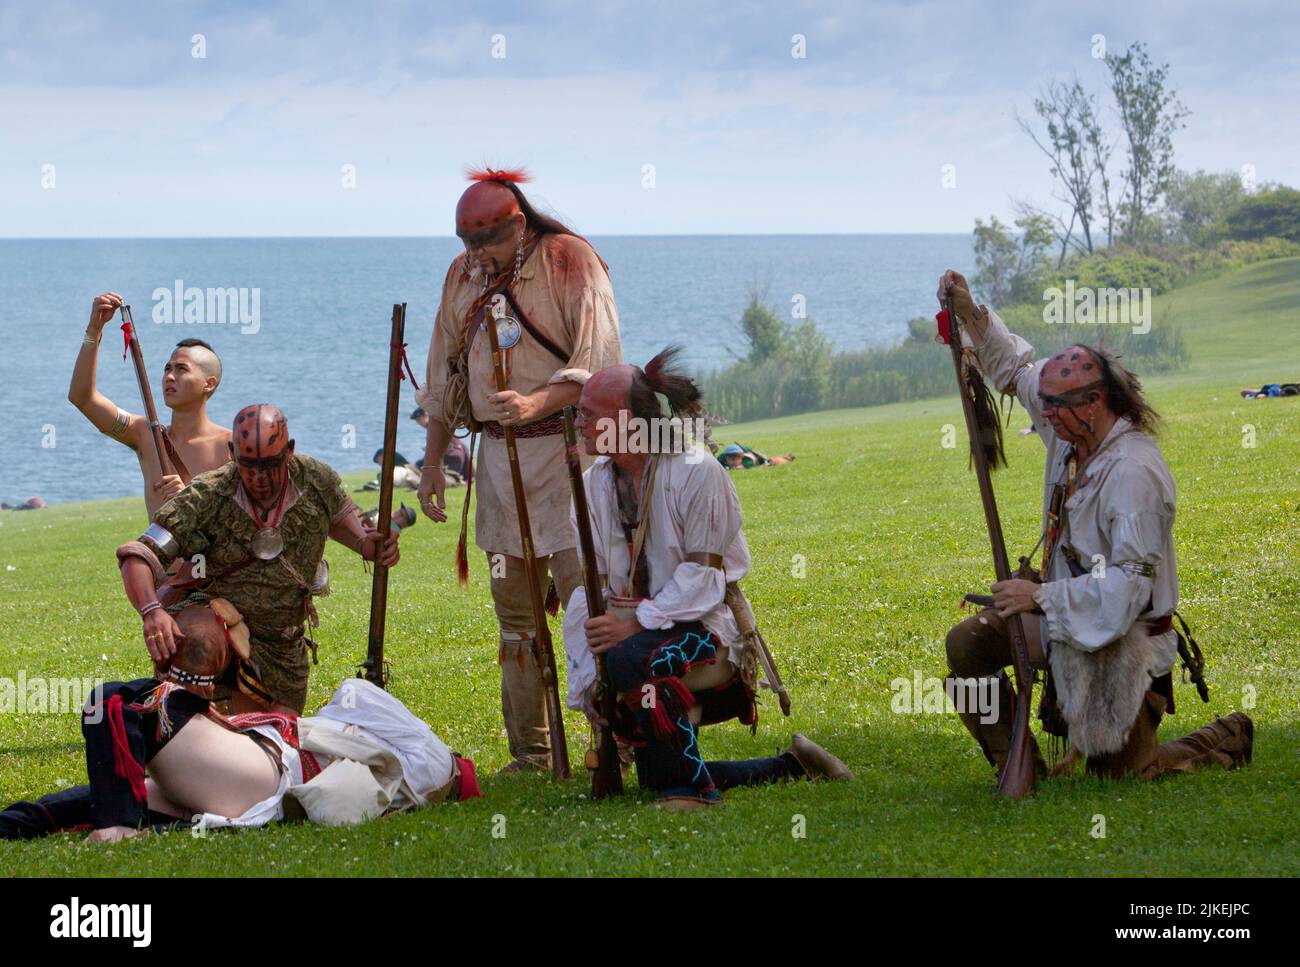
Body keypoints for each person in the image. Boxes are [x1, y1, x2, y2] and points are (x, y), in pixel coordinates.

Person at [936, 269, 1252, 780]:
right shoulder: (1072, 429)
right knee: (968, 644)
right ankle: (1017, 763)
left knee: (1123, 775)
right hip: (1068, 618)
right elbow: (1016, 371)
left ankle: (1223, 736)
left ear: (1095, 402)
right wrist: (972, 313)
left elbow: (1128, 588)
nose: (1045, 417)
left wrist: (1039, 598)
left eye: (1056, 409)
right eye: (1048, 406)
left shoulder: (1134, 474)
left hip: (1124, 639)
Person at [562, 350, 852, 811]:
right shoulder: (596, 484)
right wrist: (586, 677)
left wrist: (634, 624)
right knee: (654, 767)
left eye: (588, 414)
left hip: (706, 629)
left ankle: (692, 792)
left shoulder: (696, 472)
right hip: (632, 637)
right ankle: (795, 765)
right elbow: (589, 592)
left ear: (627, 422)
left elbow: (702, 579)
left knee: (634, 658)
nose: (578, 423)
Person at [415, 167, 623, 772]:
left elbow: (600, 369)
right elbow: (445, 378)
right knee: (516, 617)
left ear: (519, 223)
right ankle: (533, 752)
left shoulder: (570, 261)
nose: (476, 255)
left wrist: (537, 402)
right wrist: (432, 463)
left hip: (571, 459)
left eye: (487, 241)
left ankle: (609, 737)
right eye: (466, 243)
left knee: (591, 603)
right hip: (500, 471)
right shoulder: (462, 276)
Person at [0, 605, 479, 843]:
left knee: (113, 701)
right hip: (247, 782)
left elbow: (352, 696)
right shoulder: (419, 778)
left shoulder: (431, 756)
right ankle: (51, 821)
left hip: (266, 772)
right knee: (91, 796)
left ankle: (116, 828)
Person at [115, 404, 400, 715]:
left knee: (275, 740)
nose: (260, 477)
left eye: (270, 465)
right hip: (218, 622)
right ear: (232, 453)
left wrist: (368, 546)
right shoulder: (209, 494)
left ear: (289, 451)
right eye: (249, 465)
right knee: (197, 645)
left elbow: (346, 522)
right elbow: (138, 555)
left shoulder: (316, 480)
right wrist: (152, 611)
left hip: (282, 648)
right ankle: (180, 724)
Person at [69, 292, 232, 519]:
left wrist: (190, 499)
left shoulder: (233, 446)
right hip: (159, 555)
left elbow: (247, 521)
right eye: (167, 368)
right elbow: (82, 397)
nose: (169, 377)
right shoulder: (145, 434)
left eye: (181, 369)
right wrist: (94, 331)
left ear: (209, 384)